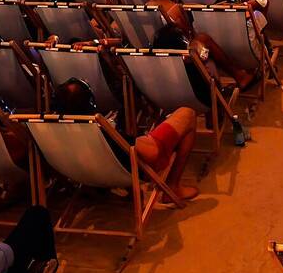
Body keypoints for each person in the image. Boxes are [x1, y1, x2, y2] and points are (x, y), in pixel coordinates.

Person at [50, 79, 199, 202]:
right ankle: (172, 187)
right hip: (134, 167)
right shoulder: (102, 131)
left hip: (87, 174)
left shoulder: (55, 134)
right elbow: (152, 154)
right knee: (187, 114)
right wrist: (145, 139)